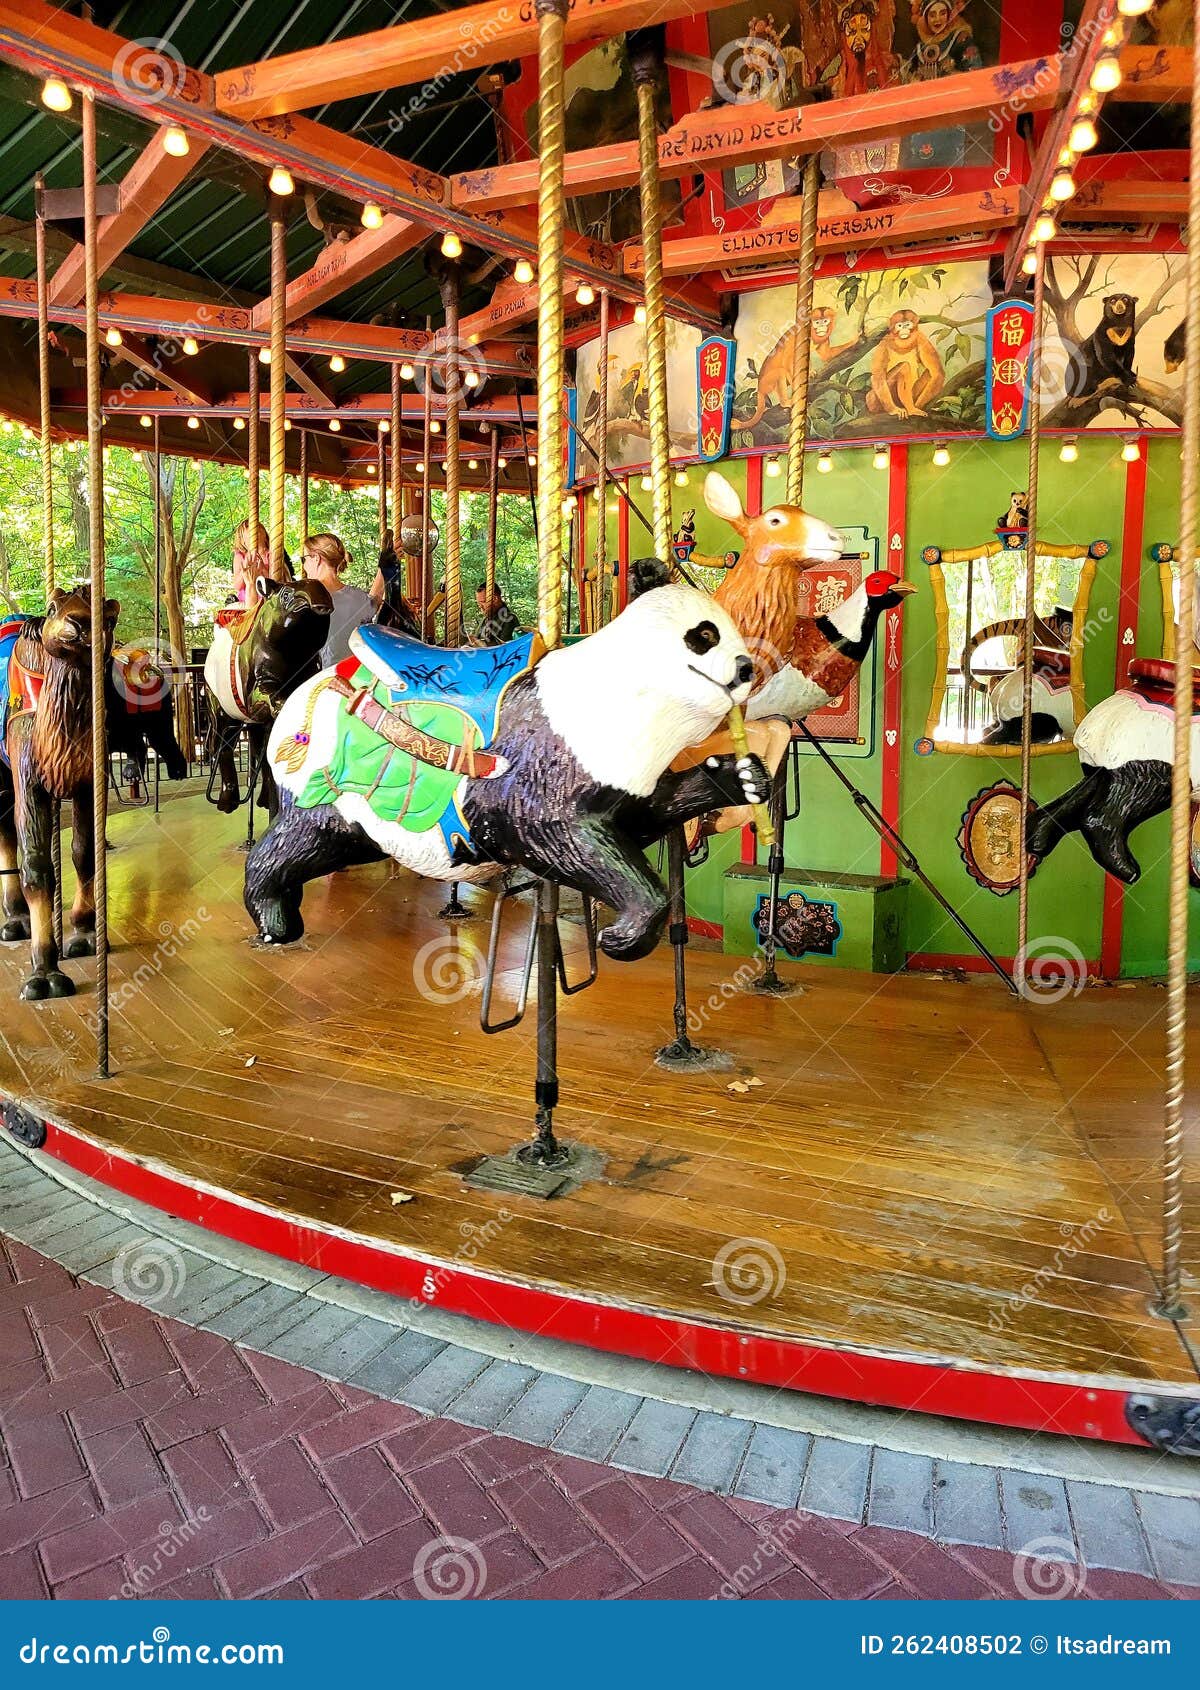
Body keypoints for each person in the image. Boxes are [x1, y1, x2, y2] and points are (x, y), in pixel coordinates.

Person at [301, 533, 376, 668]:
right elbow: (375, 603)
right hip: (358, 675)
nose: (304, 566)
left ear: (316, 559)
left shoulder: (306, 600)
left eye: (304, 559)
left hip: (324, 680)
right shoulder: (360, 597)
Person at [231, 520, 269, 603]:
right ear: (242, 541)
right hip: (246, 600)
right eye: (249, 537)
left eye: (258, 532)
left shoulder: (272, 554)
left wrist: (263, 569)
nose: (255, 538)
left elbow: (279, 582)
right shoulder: (240, 557)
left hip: (269, 600)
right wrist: (245, 567)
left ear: (265, 535)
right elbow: (237, 586)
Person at [475, 580, 521, 646]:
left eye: (483, 602)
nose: (480, 606)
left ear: (495, 599)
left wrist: (483, 644)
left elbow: (505, 648)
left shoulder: (509, 619)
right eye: (478, 603)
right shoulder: (485, 620)